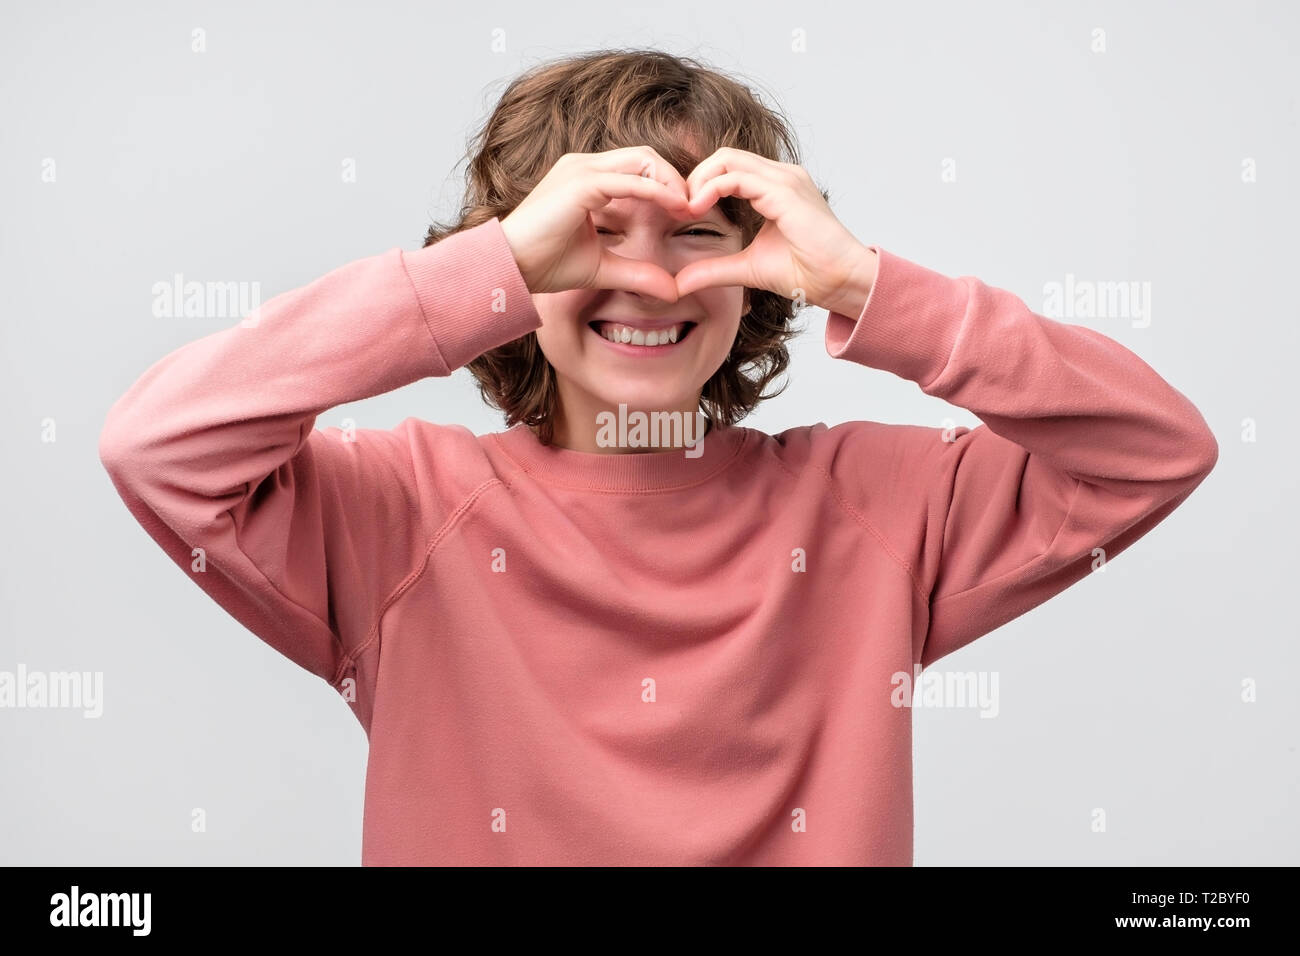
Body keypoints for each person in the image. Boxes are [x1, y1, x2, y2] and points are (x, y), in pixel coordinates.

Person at [98, 49, 1218, 865]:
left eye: (696, 233)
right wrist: (480, 274)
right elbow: (159, 444)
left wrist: (864, 283)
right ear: (517, 263)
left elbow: (1151, 449)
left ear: (762, 273)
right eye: (592, 232)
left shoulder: (876, 503)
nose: (644, 279)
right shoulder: (394, 509)